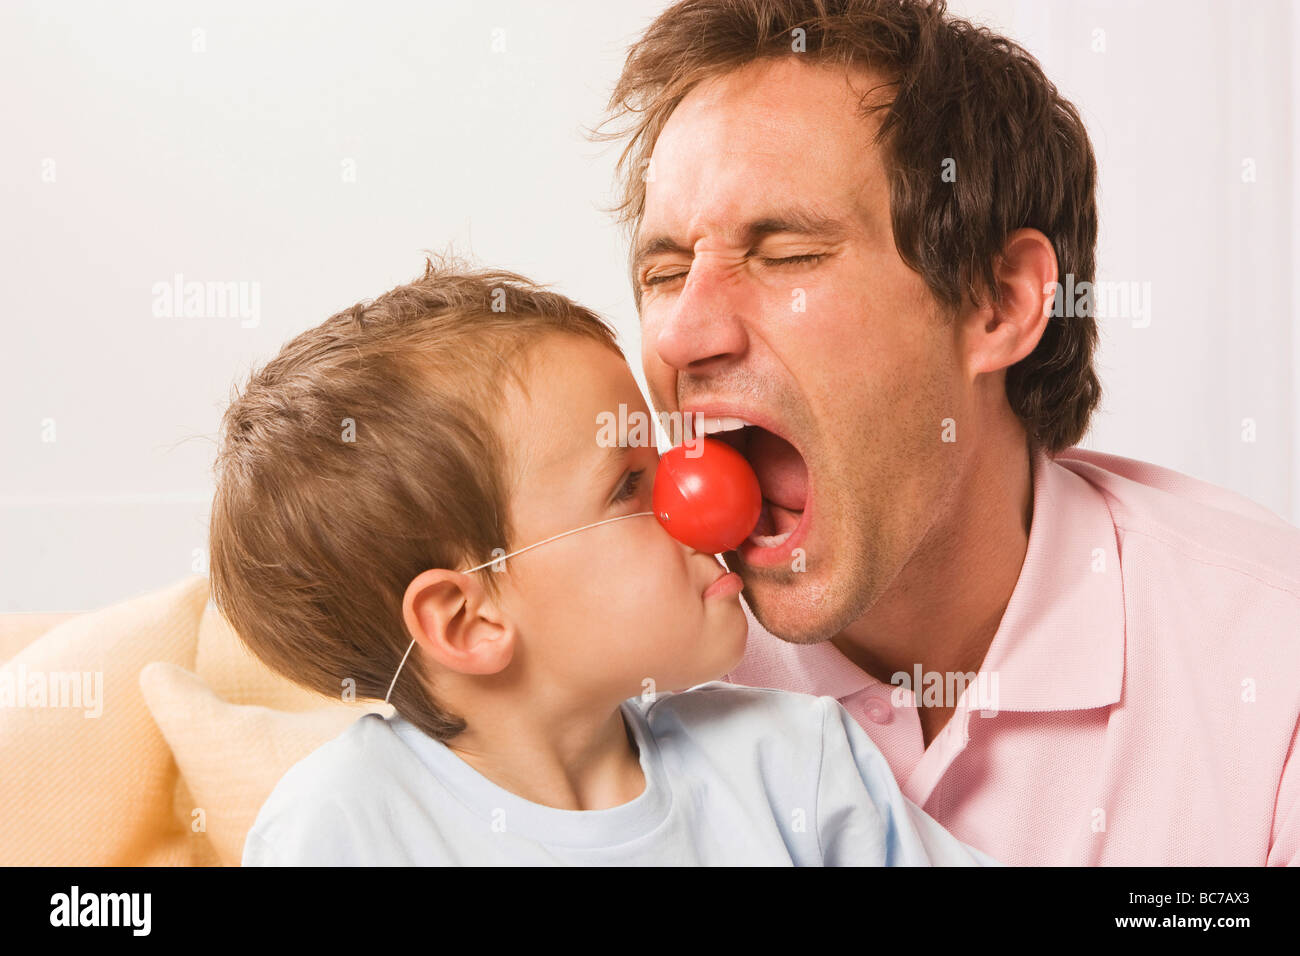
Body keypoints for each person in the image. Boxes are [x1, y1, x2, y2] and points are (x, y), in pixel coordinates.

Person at [596, 0, 1300, 864]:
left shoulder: (1272, 668)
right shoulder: (605, 661)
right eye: (665, 272)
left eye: (786, 256)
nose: (677, 336)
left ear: (999, 303)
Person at [211, 259, 999, 866]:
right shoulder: (347, 827)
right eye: (630, 483)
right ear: (467, 617)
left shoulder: (794, 763)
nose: (706, 491)